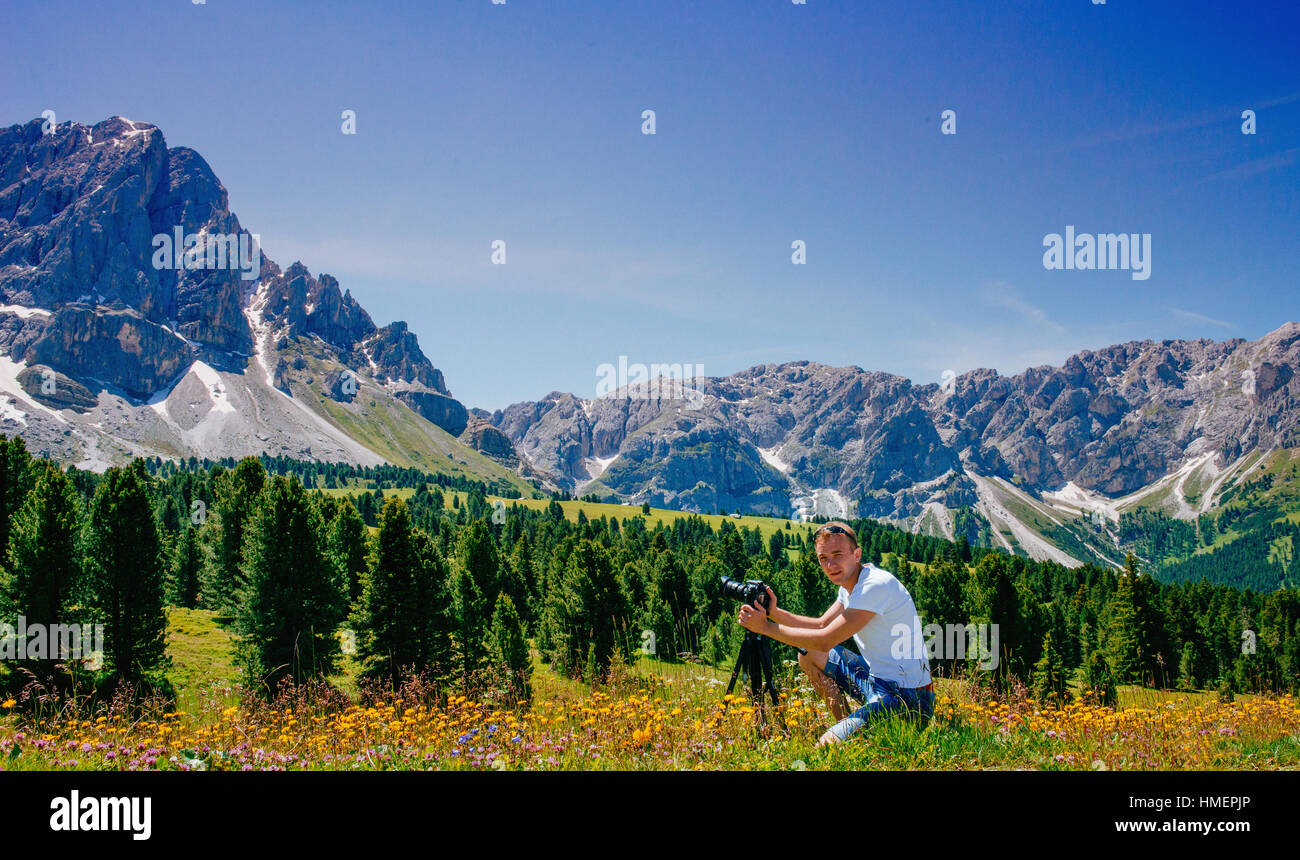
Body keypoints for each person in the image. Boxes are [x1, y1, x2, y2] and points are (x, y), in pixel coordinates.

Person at [737, 521, 934, 745]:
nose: (830, 564)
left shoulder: (874, 585)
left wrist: (764, 627)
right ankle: (847, 724)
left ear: (856, 554)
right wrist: (773, 612)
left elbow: (825, 640)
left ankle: (848, 735)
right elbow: (821, 625)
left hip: (908, 699)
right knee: (807, 653)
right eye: (823, 558)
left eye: (838, 554)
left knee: (827, 746)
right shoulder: (850, 585)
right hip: (875, 680)